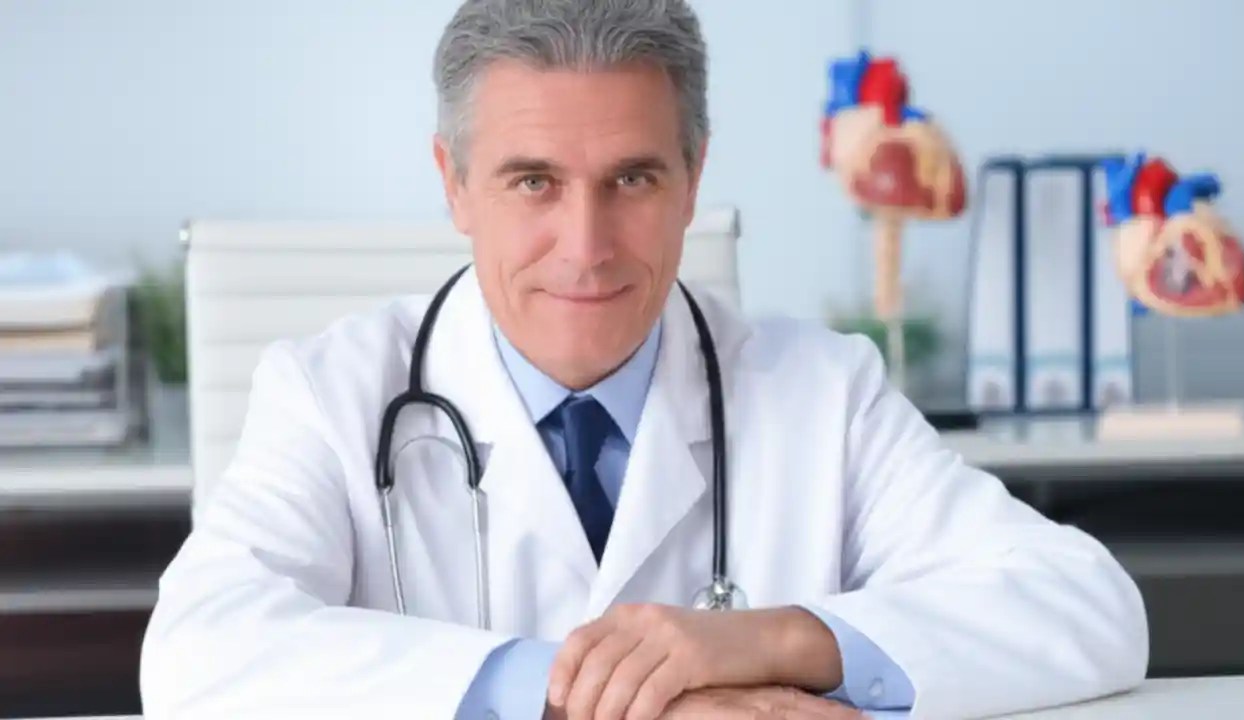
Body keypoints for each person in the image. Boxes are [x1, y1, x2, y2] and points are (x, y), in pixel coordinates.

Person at [139, 1, 1149, 718]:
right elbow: (198, 654)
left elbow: (1088, 606)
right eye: (532, 181)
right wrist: (608, 694)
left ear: (692, 175)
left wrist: (767, 642)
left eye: (630, 177)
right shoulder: (328, 393)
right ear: (453, 184)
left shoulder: (821, 392)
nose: (586, 245)